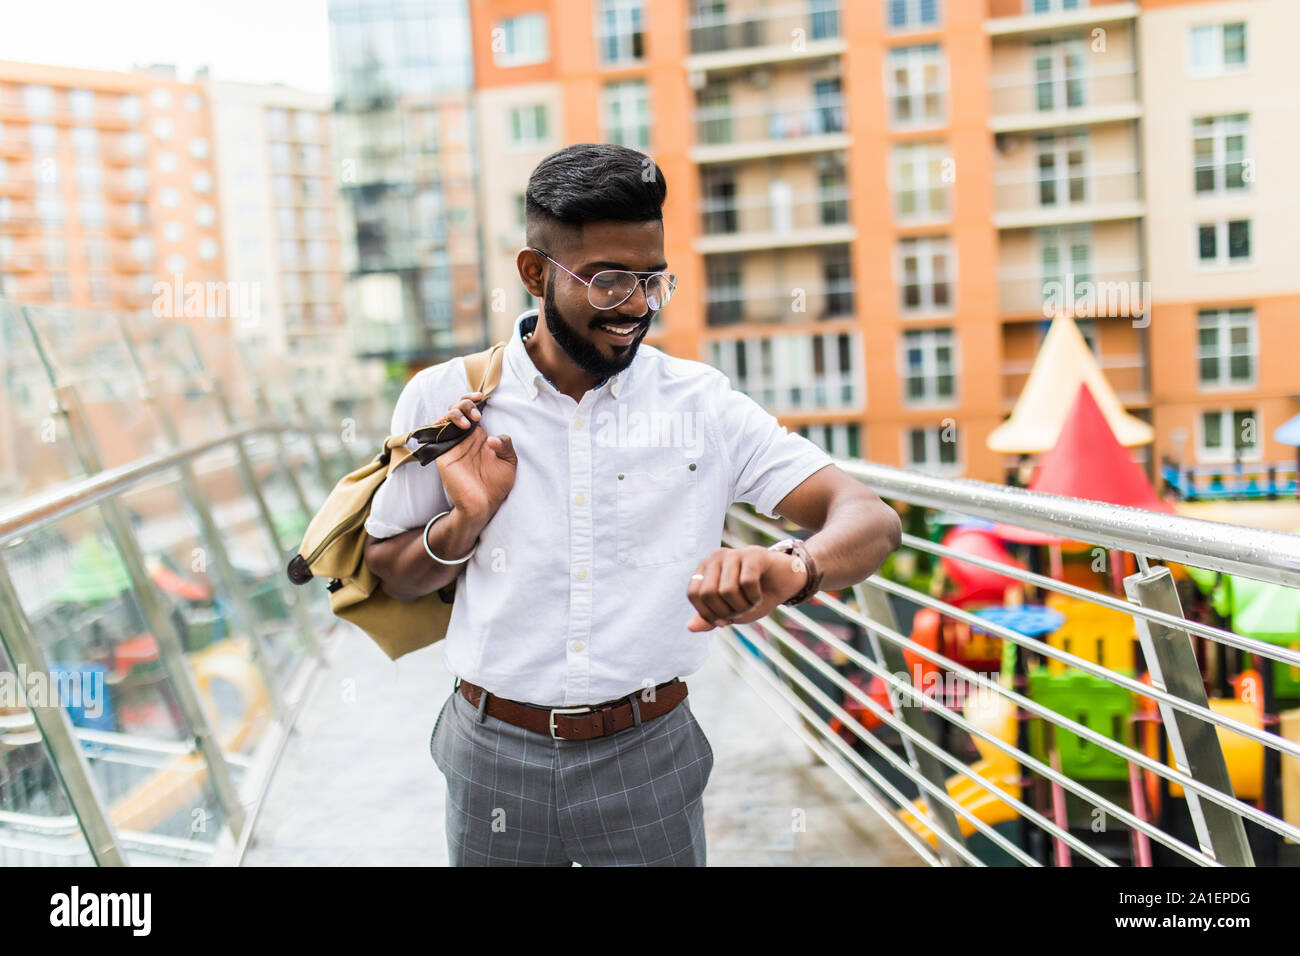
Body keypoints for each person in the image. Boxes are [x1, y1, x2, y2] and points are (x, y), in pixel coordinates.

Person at [361, 143, 901, 867]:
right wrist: (465, 520)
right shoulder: (444, 400)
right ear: (534, 273)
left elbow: (871, 518)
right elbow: (391, 573)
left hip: (651, 755)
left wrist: (794, 568)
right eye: (610, 281)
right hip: (491, 752)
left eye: (653, 280)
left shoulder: (701, 402)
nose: (638, 307)